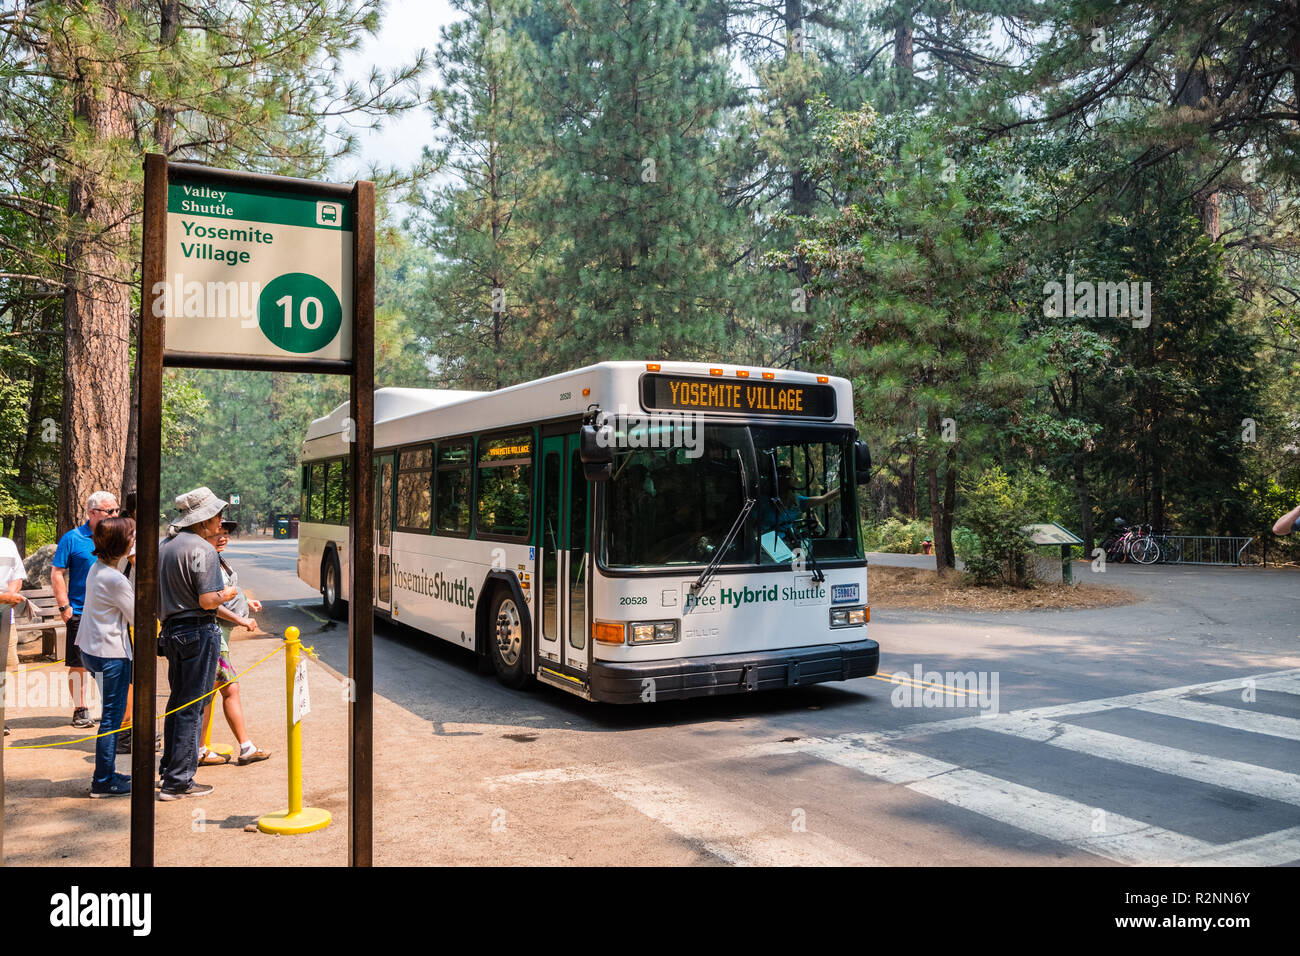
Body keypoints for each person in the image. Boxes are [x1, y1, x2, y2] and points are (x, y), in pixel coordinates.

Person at [156, 488, 237, 801]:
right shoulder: (203, 550)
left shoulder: (166, 546)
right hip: (198, 630)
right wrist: (227, 594)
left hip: (171, 631)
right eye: (217, 516)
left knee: (178, 701)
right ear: (204, 520)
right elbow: (206, 600)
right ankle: (179, 781)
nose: (221, 522)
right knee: (193, 705)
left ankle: (169, 769)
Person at [198, 520, 270, 767]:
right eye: (218, 533)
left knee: (212, 693)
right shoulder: (207, 563)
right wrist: (241, 619)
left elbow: (228, 592)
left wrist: (246, 602)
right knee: (223, 690)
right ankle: (239, 747)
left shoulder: (218, 560)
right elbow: (211, 603)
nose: (223, 538)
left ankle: (204, 747)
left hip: (219, 638)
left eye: (226, 534)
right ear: (205, 534)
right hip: (215, 637)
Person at [75, 517, 136, 797]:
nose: (134, 539)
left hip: (91, 650)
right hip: (112, 655)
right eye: (131, 536)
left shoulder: (98, 568)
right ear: (121, 543)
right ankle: (103, 781)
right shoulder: (115, 580)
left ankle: (108, 772)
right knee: (111, 720)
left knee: (109, 717)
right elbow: (137, 618)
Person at [52, 491, 119, 728]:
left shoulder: (117, 536)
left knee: (111, 662)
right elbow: (57, 572)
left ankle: (112, 710)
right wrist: (64, 606)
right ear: (92, 513)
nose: (114, 515)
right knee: (78, 663)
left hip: (112, 613)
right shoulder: (72, 538)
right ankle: (80, 709)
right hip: (80, 611)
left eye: (116, 510)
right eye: (109, 511)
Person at [0, 535, 27, 737]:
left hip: (5, 619)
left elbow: (17, 576)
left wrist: (10, 595)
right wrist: (4, 597)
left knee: (4, 672)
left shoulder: (8, 545)